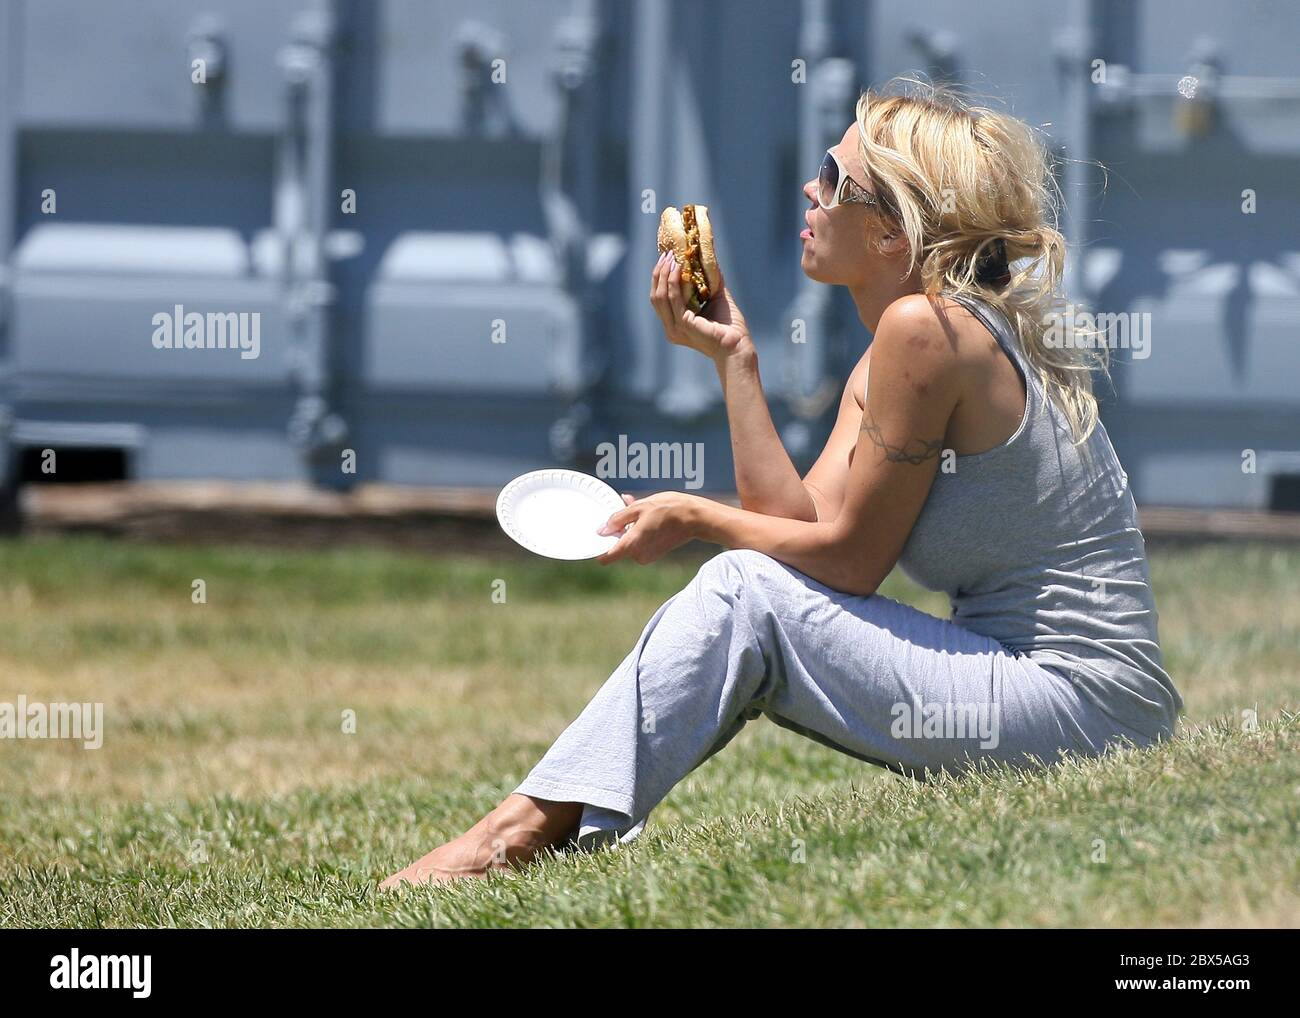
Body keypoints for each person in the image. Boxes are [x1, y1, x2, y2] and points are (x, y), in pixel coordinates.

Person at [381, 79, 1182, 889]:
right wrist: (736, 359)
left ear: (890, 234)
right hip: (1062, 699)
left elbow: (845, 564)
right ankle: (531, 826)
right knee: (748, 589)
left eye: (835, 179)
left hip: (1081, 708)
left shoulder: (924, 333)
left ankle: (513, 837)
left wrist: (697, 516)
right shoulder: (908, 340)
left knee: (739, 590)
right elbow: (801, 530)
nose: (811, 189)